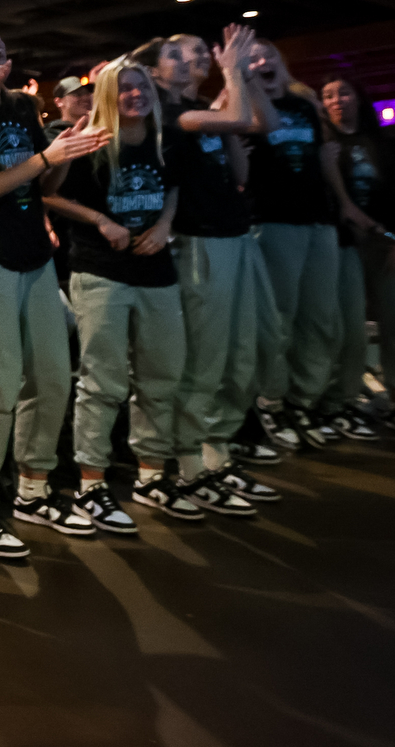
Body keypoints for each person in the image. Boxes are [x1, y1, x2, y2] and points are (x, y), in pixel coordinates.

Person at [0, 23, 108, 558]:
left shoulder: (19, 105)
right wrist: (44, 160)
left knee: (53, 378)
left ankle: (33, 491)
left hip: (35, 257)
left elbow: (42, 184)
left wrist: (64, 154)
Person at [47, 59, 238, 527]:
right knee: (103, 381)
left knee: (162, 376)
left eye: (142, 86)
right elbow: (49, 195)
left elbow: (172, 189)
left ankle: (152, 477)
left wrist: (166, 224)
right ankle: (91, 484)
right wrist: (101, 220)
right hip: (100, 272)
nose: (136, 94)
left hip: (156, 271)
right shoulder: (91, 138)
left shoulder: (166, 138)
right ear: (110, 94)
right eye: (126, 88)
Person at [142, 29, 283, 503]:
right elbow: (242, 117)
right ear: (155, 68)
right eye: (178, 51)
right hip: (199, 240)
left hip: (236, 235)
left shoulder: (205, 108)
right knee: (205, 357)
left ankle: (217, 450)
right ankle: (188, 459)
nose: (194, 57)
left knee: (242, 352)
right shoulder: (167, 110)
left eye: (202, 51)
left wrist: (245, 75)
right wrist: (233, 75)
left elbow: (265, 124)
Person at [244, 39, 343, 451]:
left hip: (318, 220)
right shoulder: (245, 109)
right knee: (277, 319)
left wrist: (345, 207)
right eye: (254, 59)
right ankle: (272, 399)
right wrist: (246, 83)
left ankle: (304, 401)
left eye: (270, 56)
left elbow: (323, 160)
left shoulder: (304, 107)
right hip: (273, 220)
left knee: (320, 318)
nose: (263, 62)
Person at [317, 75, 395, 439]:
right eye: (328, 95)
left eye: (344, 92)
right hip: (343, 245)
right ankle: (344, 401)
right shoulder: (322, 144)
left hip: (389, 241)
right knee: (347, 331)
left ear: (358, 98)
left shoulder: (388, 142)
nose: (336, 100)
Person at [45, 75, 92, 142]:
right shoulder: (51, 134)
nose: (85, 98)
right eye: (78, 94)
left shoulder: (98, 126)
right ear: (59, 102)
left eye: (87, 93)